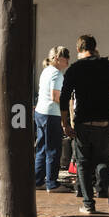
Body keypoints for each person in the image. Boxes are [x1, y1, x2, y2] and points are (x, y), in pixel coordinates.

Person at [60, 35, 109, 216]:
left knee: (82, 163)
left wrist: (65, 122)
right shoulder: (107, 66)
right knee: (102, 161)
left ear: (78, 49)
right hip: (104, 122)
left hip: (84, 123)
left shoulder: (75, 69)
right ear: (94, 47)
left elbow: (64, 97)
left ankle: (88, 204)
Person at [36, 46, 71, 192]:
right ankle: (52, 183)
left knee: (42, 148)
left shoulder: (46, 71)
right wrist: (67, 103)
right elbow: (55, 97)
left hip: (40, 112)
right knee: (53, 149)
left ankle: (37, 181)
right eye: (65, 57)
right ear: (57, 58)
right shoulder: (57, 74)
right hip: (51, 114)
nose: (68, 60)